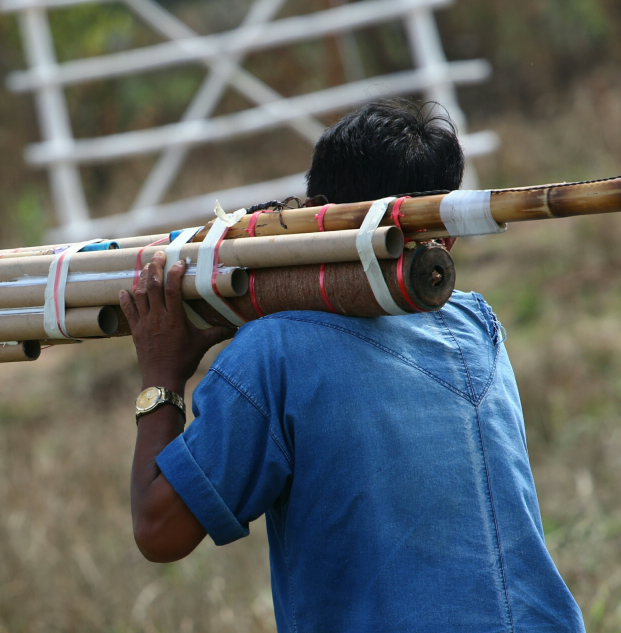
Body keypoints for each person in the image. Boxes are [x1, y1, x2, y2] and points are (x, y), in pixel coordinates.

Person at [118, 99, 585, 632]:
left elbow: (158, 530)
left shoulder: (275, 352)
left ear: (316, 215)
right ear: (443, 234)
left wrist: (161, 375)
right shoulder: (477, 326)